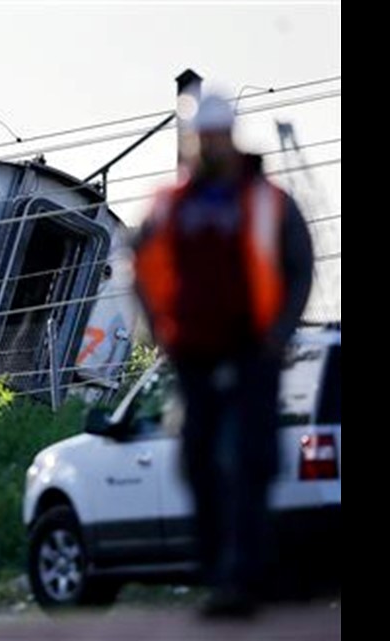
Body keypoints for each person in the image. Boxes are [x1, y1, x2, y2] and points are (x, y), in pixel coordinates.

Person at [133, 93, 314, 617]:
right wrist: (161, 331)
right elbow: (138, 260)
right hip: (192, 351)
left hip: (254, 348)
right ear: (194, 139)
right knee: (198, 458)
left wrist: (279, 335)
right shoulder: (169, 202)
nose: (210, 143)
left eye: (218, 134)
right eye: (203, 135)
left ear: (232, 135)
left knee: (250, 460)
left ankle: (242, 578)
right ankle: (219, 572)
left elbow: (299, 266)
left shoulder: (268, 200)